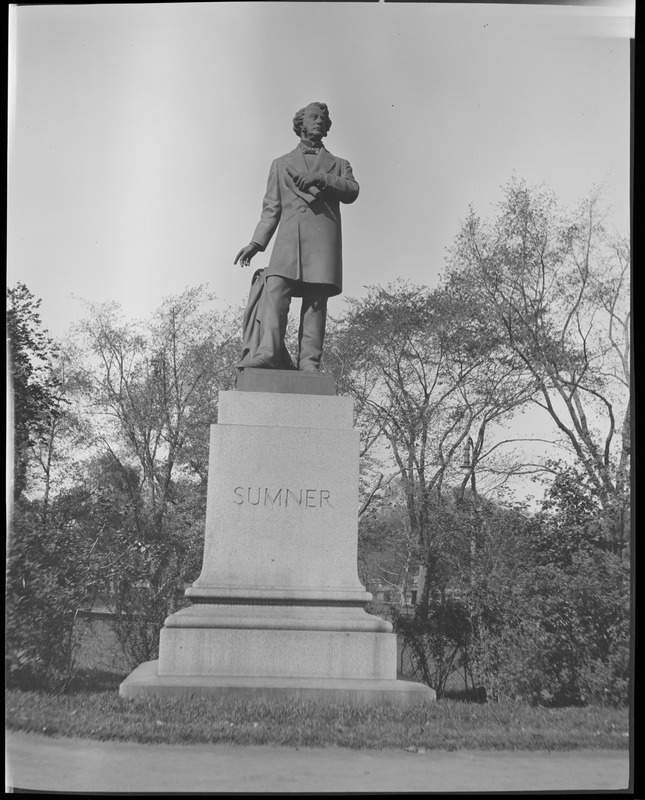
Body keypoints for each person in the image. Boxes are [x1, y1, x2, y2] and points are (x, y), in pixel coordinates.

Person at [234, 102, 359, 371]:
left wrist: (321, 178)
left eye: (323, 118)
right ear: (300, 123)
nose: (319, 121)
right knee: (276, 291)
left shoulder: (339, 164)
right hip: (288, 240)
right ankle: (268, 352)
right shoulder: (280, 164)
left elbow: (351, 190)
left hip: (322, 242)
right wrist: (256, 243)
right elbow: (271, 208)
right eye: (313, 117)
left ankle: (309, 363)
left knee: (315, 301)